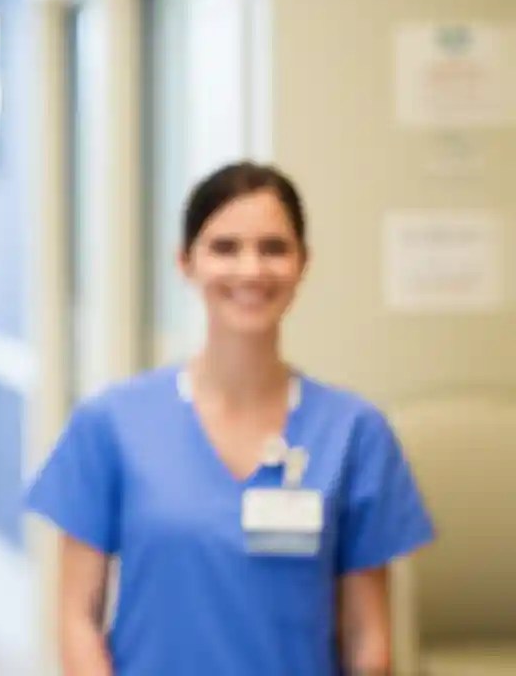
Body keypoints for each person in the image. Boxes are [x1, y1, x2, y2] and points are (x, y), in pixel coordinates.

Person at [26, 162, 435, 676]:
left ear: (303, 263)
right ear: (186, 262)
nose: (250, 270)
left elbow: (367, 638)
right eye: (224, 248)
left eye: (273, 248)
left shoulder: (354, 433)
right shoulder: (111, 425)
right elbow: (76, 621)